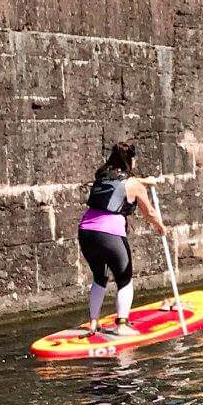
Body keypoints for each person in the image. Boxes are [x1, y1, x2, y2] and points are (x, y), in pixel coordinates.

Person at [78, 140, 168, 340]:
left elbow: (122, 183)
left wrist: (146, 181)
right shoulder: (133, 184)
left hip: (86, 232)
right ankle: (122, 325)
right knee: (124, 278)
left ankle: (93, 323)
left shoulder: (102, 176)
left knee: (100, 277)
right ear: (131, 160)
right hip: (110, 234)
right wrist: (161, 227)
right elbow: (149, 212)